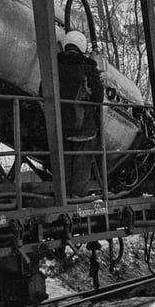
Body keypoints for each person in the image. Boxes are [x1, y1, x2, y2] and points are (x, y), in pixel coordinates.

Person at [57, 30, 104, 197]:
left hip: (62, 127)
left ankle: (65, 197)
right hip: (84, 128)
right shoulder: (88, 68)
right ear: (82, 46)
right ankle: (78, 199)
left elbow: (43, 91)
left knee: (66, 165)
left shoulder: (55, 66)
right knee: (81, 166)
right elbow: (98, 97)